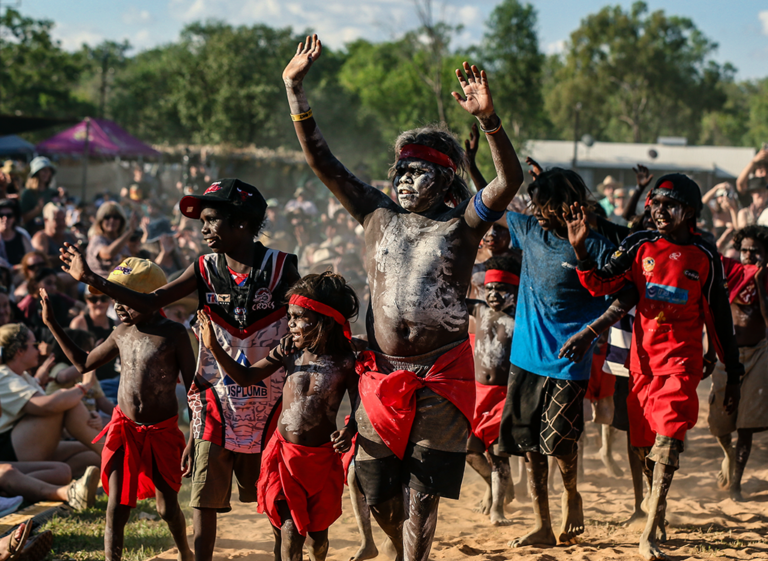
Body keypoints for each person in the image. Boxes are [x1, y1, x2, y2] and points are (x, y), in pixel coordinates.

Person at [283, 34, 524, 561]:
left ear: (443, 178)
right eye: (400, 170)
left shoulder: (463, 225)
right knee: (379, 497)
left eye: (417, 170)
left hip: (442, 375)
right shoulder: (376, 215)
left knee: (422, 498)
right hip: (381, 376)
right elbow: (324, 163)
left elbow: (509, 180)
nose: (403, 178)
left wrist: (490, 119)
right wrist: (294, 90)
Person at [59, 178, 299, 561]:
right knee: (202, 504)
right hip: (215, 403)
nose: (203, 228)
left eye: (211, 220)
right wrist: (92, 279)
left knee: (274, 500)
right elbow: (150, 299)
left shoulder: (282, 268)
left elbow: (308, 315)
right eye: (201, 221)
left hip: (269, 404)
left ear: (242, 223)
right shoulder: (203, 268)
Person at [564, 173, 744, 561]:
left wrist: (733, 374)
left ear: (689, 212)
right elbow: (603, 285)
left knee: (668, 441)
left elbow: (718, 319)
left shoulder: (705, 256)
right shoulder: (637, 246)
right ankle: (655, 508)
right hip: (641, 366)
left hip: (681, 366)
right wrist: (580, 251)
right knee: (644, 444)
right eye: (654, 204)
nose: (659, 211)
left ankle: (648, 533)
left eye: (668, 205)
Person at [40, 258, 195, 561]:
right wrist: (52, 324)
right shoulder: (121, 332)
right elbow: (84, 363)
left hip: (161, 431)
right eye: (114, 299)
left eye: (125, 298)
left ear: (149, 298)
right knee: (117, 507)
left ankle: (186, 552)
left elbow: (193, 389)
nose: (118, 306)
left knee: (167, 507)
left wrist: (194, 437)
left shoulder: (174, 334)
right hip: (124, 429)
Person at [198, 271, 359, 561]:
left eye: (298, 317)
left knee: (318, 538)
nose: (291, 323)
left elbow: (359, 405)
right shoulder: (289, 351)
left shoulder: (346, 361)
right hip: (284, 456)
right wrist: (214, 347)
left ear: (323, 320)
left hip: (321, 460)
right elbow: (246, 377)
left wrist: (349, 431)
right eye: (290, 316)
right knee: (289, 528)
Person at [496, 166, 615, 548]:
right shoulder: (529, 231)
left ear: (567, 205)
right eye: (534, 203)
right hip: (526, 358)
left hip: (569, 361)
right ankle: (542, 523)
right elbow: (492, 200)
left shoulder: (595, 246)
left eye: (543, 204)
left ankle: (571, 492)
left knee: (559, 440)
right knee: (529, 445)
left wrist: (590, 334)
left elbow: (616, 298)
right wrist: (476, 156)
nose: (535, 210)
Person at [707, 225, 768, 501]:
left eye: (755, 252)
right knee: (720, 422)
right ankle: (727, 453)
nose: (748, 256)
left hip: (759, 353)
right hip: (727, 355)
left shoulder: (767, 277)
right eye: (744, 250)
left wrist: (759, 282)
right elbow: (709, 252)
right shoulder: (730, 269)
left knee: (745, 424)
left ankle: (735, 486)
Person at [0, 324, 102, 476]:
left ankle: (38, 478)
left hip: (26, 445)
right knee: (66, 403)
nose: (39, 349)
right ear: (19, 351)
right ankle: (124, 459)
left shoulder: (23, 376)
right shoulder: (3, 375)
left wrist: (91, 418)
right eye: (34, 345)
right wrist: (84, 386)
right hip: (8, 450)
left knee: (93, 455)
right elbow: (47, 406)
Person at [465, 255, 518, 526]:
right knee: (470, 450)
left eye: (501, 289)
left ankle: (498, 508)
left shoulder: (519, 319)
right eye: (490, 289)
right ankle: (496, 487)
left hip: (502, 396)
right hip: (477, 395)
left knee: (498, 454)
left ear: (515, 291)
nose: (494, 295)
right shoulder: (479, 310)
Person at [70, 292, 119, 383]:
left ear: (109, 300)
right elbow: (72, 357)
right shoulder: (79, 323)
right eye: (93, 299)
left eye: (103, 298)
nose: (99, 303)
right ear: (87, 301)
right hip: (88, 381)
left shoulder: (116, 324)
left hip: (112, 377)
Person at [85, 202, 136, 278]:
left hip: (120, 285)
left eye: (116, 217)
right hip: (99, 287)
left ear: (121, 221)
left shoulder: (122, 243)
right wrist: (130, 231)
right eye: (107, 217)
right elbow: (108, 254)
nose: (112, 220)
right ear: (100, 221)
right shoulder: (97, 239)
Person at [19, 157, 57, 233]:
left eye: (48, 170)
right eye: (43, 170)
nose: (46, 173)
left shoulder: (52, 192)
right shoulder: (28, 193)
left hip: (49, 233)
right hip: (31, 232)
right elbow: (21, 219)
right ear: (36, 173)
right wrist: (37, 210)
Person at [0, 200, 33, 267]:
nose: (5, 218)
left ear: (15, 218)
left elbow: (30, 258)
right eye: (1, 215)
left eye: (9, 215)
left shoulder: (23, 235)